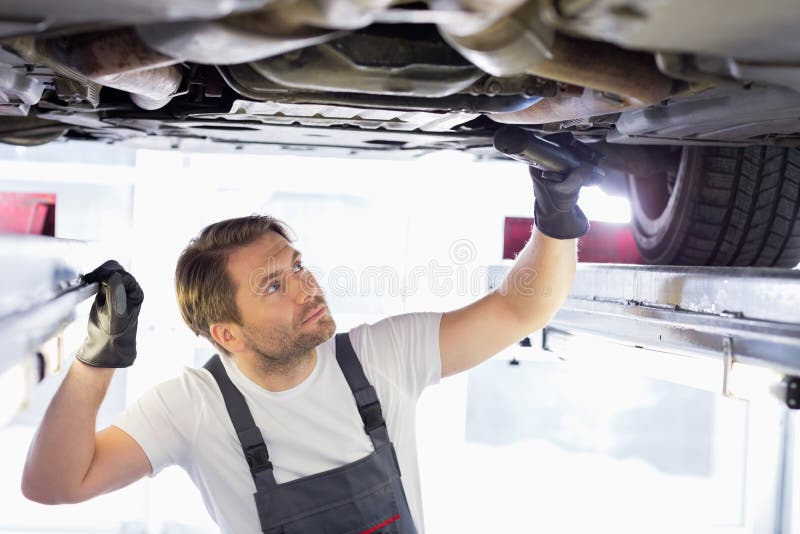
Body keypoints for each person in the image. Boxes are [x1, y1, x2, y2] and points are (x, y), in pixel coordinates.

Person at [21, 164, 591, 533]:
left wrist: (557, 211)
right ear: (228, 335)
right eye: (275, 285)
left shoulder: (380, 357)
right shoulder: (192, 408)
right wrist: (100, 359)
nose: (307, 286)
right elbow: (53, 485)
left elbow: (521, 309)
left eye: (297, 267)